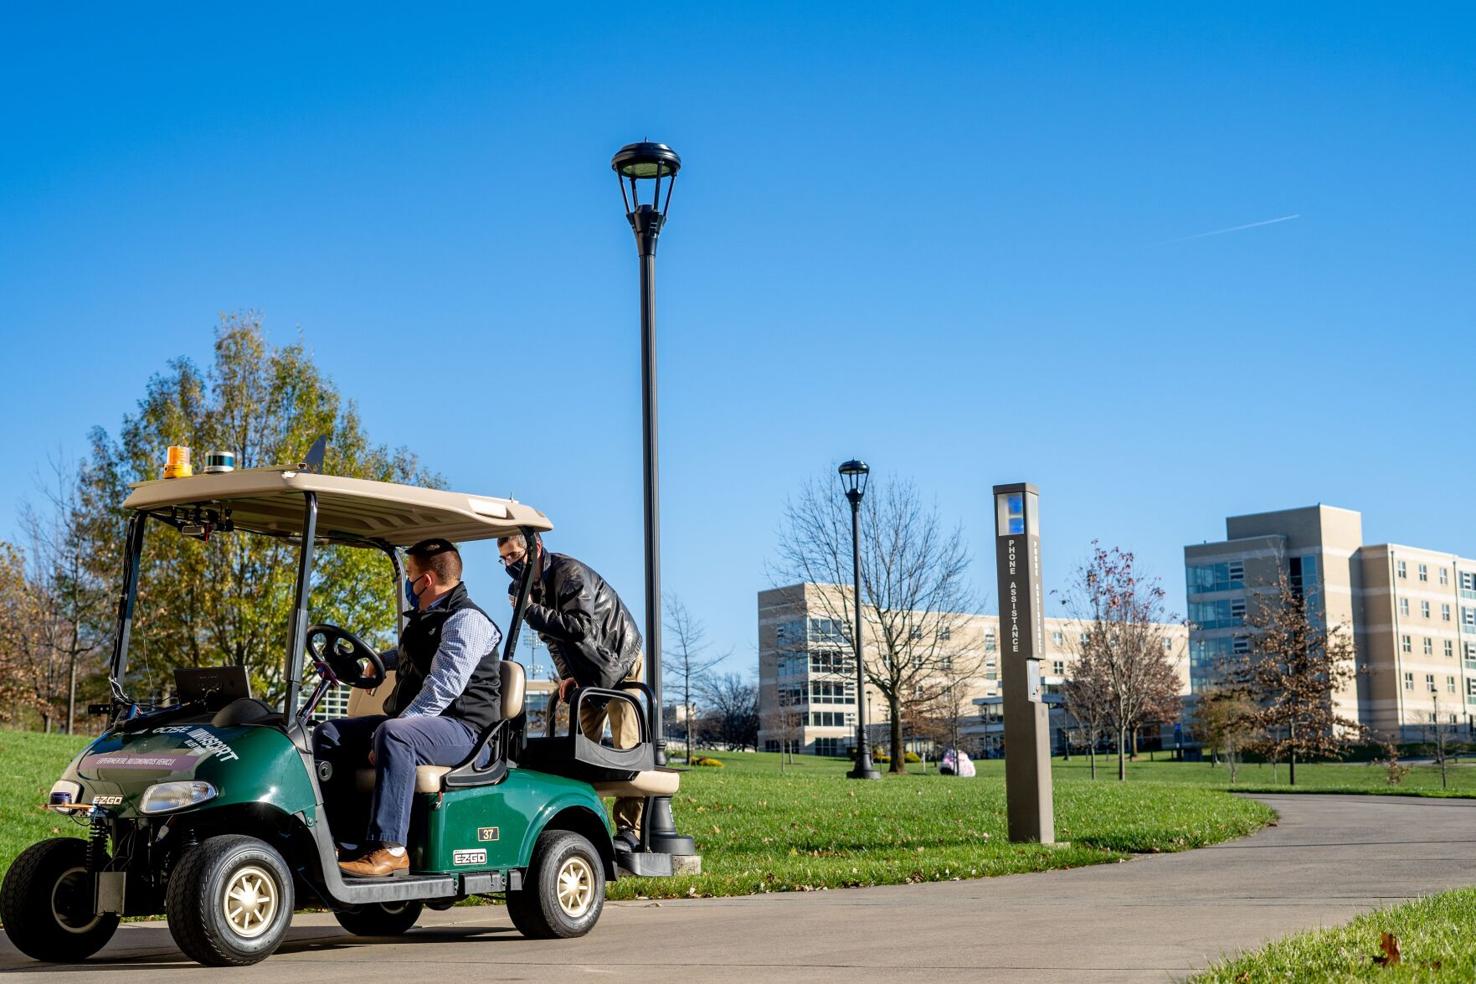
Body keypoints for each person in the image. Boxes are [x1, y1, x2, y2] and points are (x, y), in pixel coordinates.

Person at [313, 538, 502, 877]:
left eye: (410, 574)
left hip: (467, 732)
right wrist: (377, 662)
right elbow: (413, 657)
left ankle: (391, 849)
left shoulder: (467, 620)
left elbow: (444, 687)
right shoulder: (428, 617)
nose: (406, 584)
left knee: (395, 734)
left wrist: (395, 728)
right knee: (328, 734)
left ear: (426, 581)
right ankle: (345, 841)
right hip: (429, 727)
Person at [498, 533, 645, 849]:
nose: (510, 565)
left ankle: (629, 830)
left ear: (535, 548)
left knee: (626, 745)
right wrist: (566, 675)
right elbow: (551, 638)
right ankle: (582, 822)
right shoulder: (521, 589)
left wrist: (529, 610)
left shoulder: (570, 574)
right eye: (504, 559)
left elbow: (579, 626)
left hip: (618, 657)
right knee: (581, 745)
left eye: (514, 555)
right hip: (585, 669)